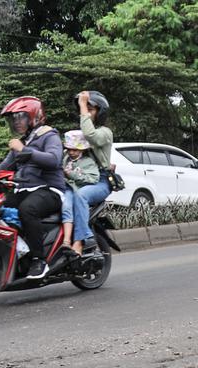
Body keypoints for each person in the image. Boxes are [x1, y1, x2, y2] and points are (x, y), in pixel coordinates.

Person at [0, 96, 66, 280]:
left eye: (20, 117)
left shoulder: (49, 135)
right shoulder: (23, 141)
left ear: (34, 116)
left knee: (27, 210)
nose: (16, 123)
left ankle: (39, 261)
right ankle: (17, 253)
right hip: (24, 191)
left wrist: (24, 150)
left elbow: (54, 159)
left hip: (50, 190)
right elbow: (3, 167)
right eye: (14, 119)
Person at [70, 90, 114, 255]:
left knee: (81, 196)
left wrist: (82, 104)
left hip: (101, 182)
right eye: (85, 108)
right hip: (81, 179)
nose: (87, 112)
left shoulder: (105, 132)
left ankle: (84, 239)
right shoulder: (80, 133)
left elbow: (91, 135)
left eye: (91, 109)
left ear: (100, 112)